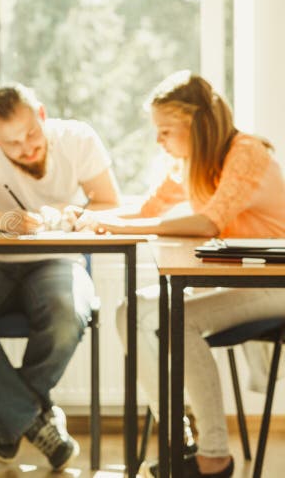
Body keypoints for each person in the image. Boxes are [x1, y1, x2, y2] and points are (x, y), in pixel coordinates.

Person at [85, 70, 285, 478]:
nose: (159, 141)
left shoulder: (244, 152)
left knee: (182, 318)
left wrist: (122, 229)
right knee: (130, 311)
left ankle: (214, 457)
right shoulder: (193, 163)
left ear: (194, 124)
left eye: (165, 131)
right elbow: (147, 211)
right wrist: (88, 217)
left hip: (276, 283)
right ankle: (180, 438)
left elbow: (208, 223)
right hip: (242, 281)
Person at [0, 83, 120, 471]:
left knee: (68, 314)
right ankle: (38, 420)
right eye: (12, 143)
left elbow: (108, 202)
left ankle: (11, 427)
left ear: (43, 115)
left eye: (31, 134)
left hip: (58, 260)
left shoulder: (78, 139)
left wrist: (76, 214)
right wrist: (2, 219)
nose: (26, 148)